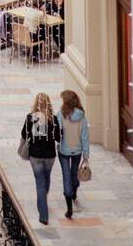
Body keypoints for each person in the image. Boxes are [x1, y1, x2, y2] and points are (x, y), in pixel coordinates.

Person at [20, 92, 61, 225]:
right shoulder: (53, 120)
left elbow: (24, 134)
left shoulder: (31, 118)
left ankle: (43, 215)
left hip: (36, 155)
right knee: (46, 178)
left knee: (40, 182)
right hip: (49, 156)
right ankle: (43, 198)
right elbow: (58, 138)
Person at [56, 89, 90, 219]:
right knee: (74, 173)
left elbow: (56, 132)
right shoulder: (82, 117)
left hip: (63, 151)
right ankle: (74, 190)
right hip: (77, 151)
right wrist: (86, 155)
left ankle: (69, 208)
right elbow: (85, 137)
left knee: (66, 176)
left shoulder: (61, 115)